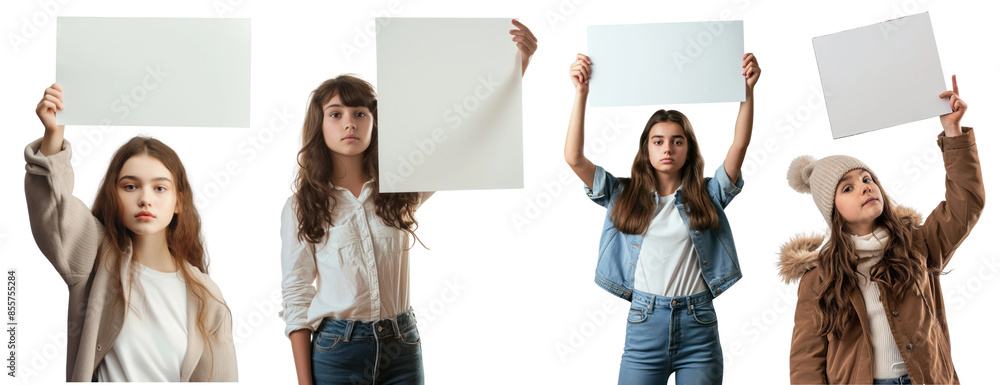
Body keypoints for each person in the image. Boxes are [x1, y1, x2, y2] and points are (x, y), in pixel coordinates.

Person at [279, 20, 537, 385]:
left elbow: (462, 139)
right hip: (337, 350)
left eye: (360, 113)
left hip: (401, 345)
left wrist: (518, 66)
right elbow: (296, 295)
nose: (349, 123)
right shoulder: (301, 206)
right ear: (319, 126)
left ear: (374, 122)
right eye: (336, 114)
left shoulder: (400, 189)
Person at [564, 52, 760, 384]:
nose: (667, 148)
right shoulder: (622, 195)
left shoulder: (709, 195)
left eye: (676, 141)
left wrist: (748, 91)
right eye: (658, 141)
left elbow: (739, 146)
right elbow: (574, 158)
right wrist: (580, 93)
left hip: (699, 327)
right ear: (647, 149)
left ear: (688, 149)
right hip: (644, 324)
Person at [25, 83, 238, 382]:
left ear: (178, 201)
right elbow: (53, 212)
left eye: (160, 188)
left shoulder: (206, 295)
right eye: (130, 186)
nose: (145, 199)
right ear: (114, 195)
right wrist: (53, 137)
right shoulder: (96, 256)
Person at [779, 76, 983, 384]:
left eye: (867, 179)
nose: (865, 187)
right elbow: (806, 360)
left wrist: (953, 133)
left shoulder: (918, 245)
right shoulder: (818, 278)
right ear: (833, 210)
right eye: (847, 188)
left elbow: (966, 203)